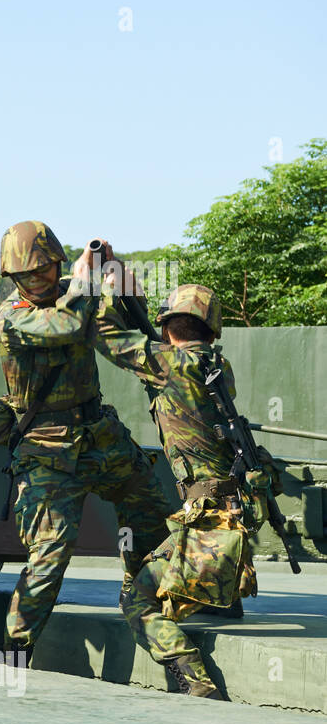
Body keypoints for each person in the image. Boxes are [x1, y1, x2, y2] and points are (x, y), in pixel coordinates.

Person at [0, 223, 171, 659]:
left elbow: (128, 316)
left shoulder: (80, 291)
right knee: (50, 555)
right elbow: (67, 325)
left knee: (150, 507)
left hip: (98, 435)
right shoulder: (11, 316)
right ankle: (15, 653)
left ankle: (140, 589)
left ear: (56, 262)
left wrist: (117, 271)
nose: (37, 279)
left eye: (45, 269)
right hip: (46, 449)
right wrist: (86, 280)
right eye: (26, 274)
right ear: (13, 278)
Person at [96, 276, 266, 697]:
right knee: (148, 546)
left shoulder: (171, 364)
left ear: (168, 325)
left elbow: (106, 337)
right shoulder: (213, 365)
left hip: (210, 528)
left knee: (136, 601)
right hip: (230, 518)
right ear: (212, 329)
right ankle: (220, 594)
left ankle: (194, 679)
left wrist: (102, 289)